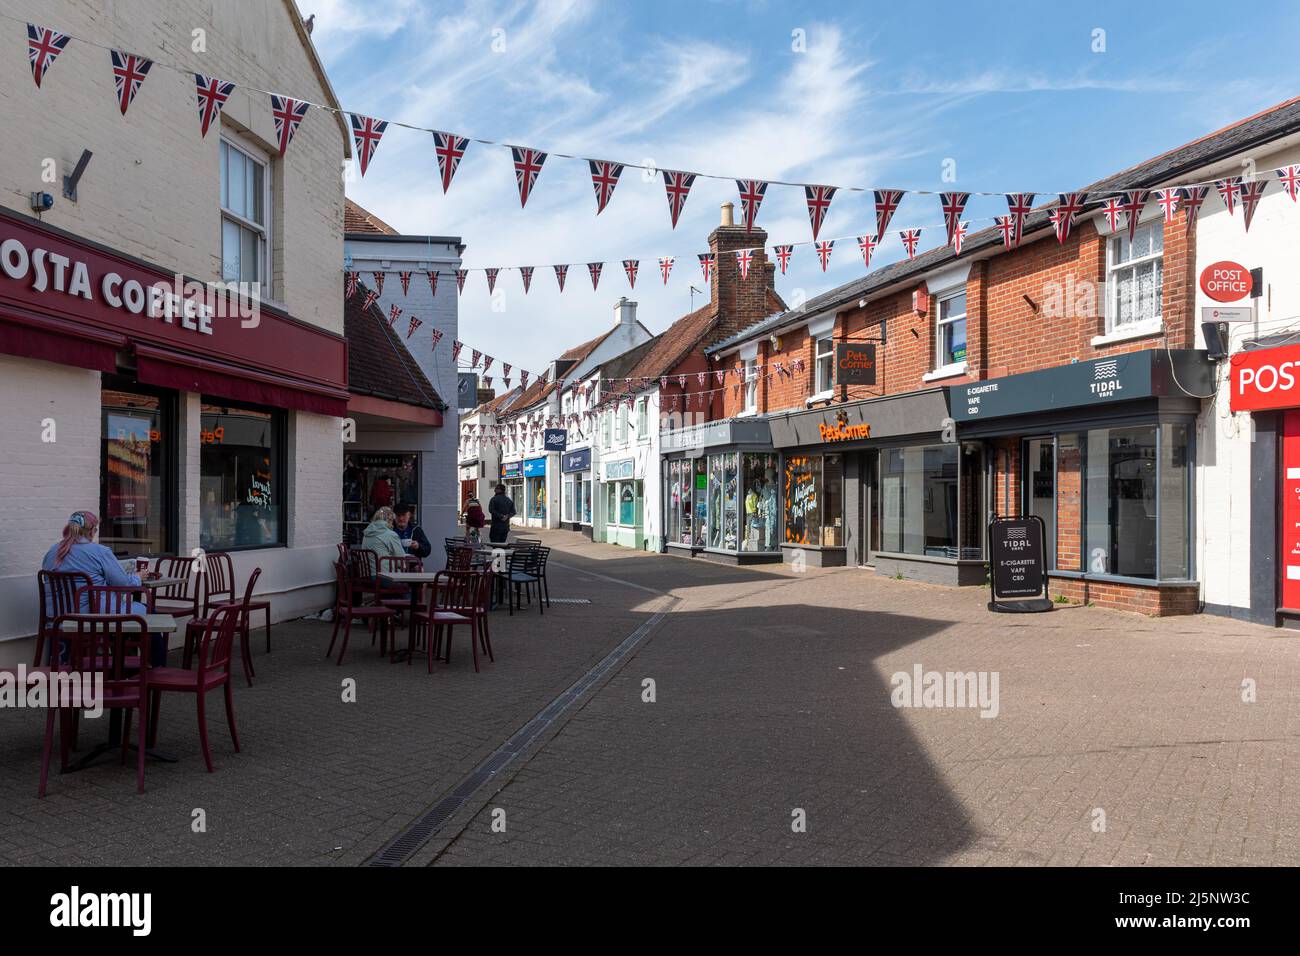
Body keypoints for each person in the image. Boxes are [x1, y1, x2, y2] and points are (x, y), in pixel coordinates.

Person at [41, 511, 166, 666]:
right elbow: (124, 584)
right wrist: (138, 577)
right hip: (92, 616)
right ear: (92, 530)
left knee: (132, 614)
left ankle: (126, 664)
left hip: (57, 618)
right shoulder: (100, 552)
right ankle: (154, 666)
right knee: (148, 611)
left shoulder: (53, 551)